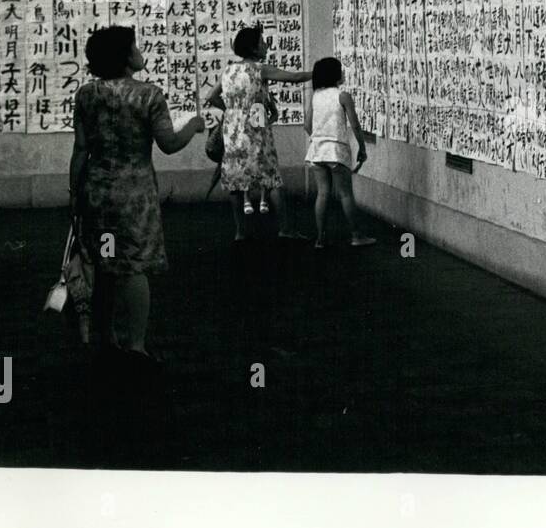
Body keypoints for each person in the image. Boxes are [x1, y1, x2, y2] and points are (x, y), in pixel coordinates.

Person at [69, 25, 204, 362]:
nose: (140, 51)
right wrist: (194, 125)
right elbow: (169, 145)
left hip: (98, 195)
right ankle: (136, 343)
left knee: (104, 262)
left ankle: (107, 337)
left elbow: (80, 149)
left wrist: (75, 194)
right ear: (126, 57)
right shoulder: (148, 95)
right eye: (135, 46)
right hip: (135, 198)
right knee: (134, 266)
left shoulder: (86, 95)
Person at [206, 24, 312, 241]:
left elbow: (211, 96)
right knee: (271, 179)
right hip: (256, 129)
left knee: (235, 183)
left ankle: (240, 232)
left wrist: (233, 111)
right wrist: (320, 72)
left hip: (233, 130)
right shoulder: (259, 69)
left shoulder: (228, 70)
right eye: (262, 42)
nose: (265, 45)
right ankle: (285, 229)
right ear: (254, 49)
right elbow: (295, 77)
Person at [304, 56, 375, 249]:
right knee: (345, 194)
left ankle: (320, 238)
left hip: (317, 150)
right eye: (341, 70)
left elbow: (307, 125)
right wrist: (362, 146)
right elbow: (354, 124)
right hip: (336, 150)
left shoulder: (316, 95)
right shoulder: (342, 96)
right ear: (334, 74)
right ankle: (356, 236)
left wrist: (319, 136)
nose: (343, 73)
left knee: (323, 193)